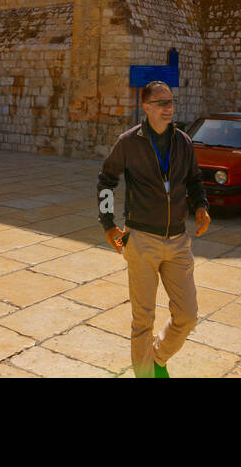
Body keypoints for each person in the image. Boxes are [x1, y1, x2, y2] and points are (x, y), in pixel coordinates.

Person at [96, 80, 210, 378]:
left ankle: (157, 357)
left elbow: (195, 179)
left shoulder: (183, 140)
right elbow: (106, 180)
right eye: (161, 103)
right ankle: (146, 374)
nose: (168, 108)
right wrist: (108, 225)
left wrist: (201, 205)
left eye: (170, 102)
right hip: (142, 239)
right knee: (142, 320)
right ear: (146, 107)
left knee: (187, 316)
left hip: (177, 240)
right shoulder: (129, 142)